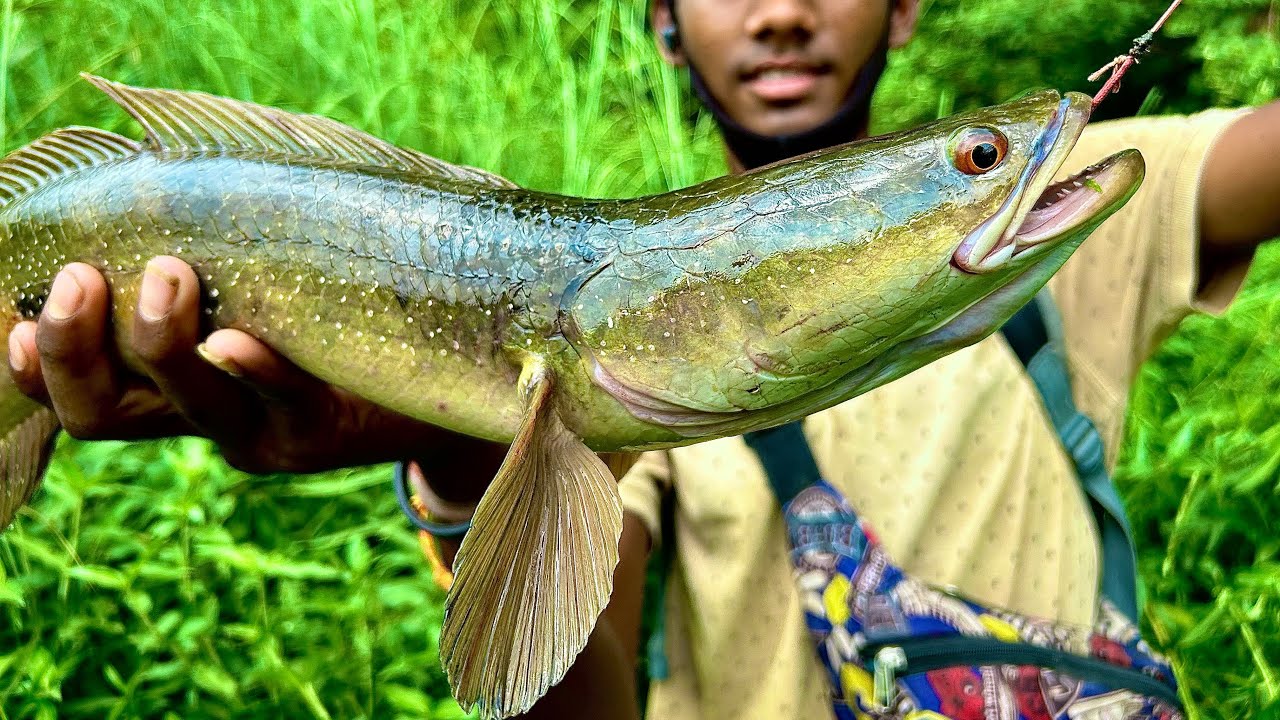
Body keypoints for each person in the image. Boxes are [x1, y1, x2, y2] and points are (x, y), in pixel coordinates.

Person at [6, 0, 1278, 717]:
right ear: (667, 28)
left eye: (975, 166)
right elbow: (555, 696)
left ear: (902, 13)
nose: (779, 12)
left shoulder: (1068, 253)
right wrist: (465, 458)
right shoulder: (633, 405)